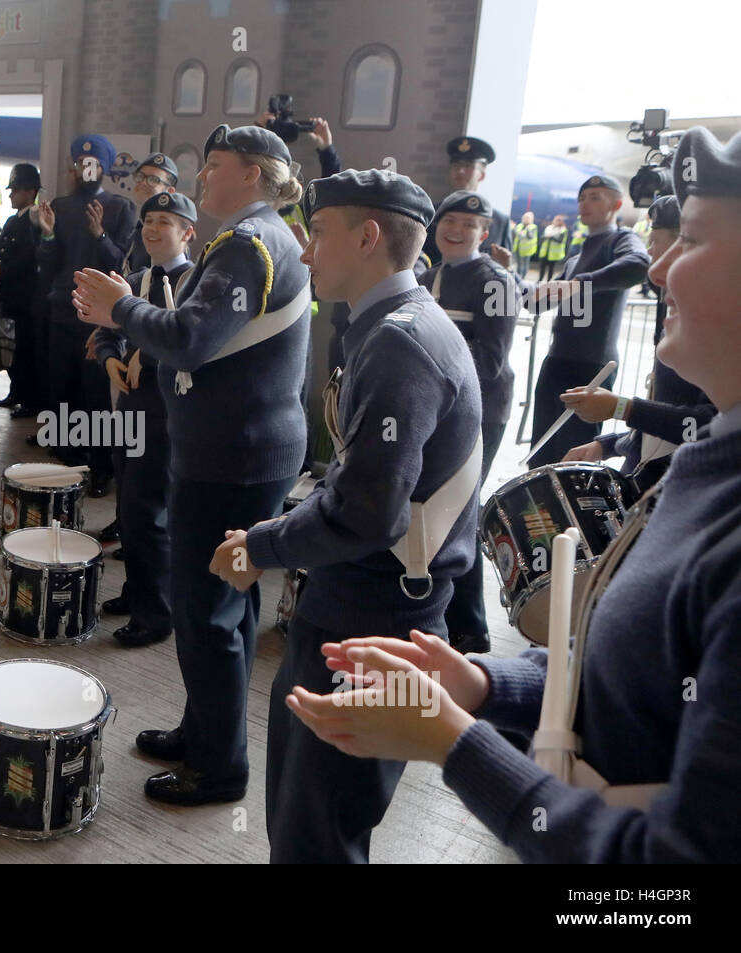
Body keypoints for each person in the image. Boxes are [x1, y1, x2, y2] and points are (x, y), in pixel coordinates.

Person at [281, 126, 741, 863]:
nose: (658, 269)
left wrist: (455, 743)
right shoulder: (713, 457)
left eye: (688, 239)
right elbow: (637, 673)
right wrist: (486, 681)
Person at [210, 167, 481, 863]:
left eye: (319, 232)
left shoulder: (399, 342)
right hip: (369, 605)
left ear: (367, 237)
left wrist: (260, 546)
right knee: (319, 820)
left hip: (369, 618)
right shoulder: (395, 326)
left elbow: (366, 513)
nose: (304, 250)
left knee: (314, 833)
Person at [73, 123, 312, 806]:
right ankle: (205, 729)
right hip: (240, 445)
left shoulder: (246, 244)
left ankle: (219, 766)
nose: (202, 176)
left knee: (207, 611)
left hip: (230, 453)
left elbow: (189, 340)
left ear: (255, 172)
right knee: (228, 607)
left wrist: (119, 306)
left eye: (215, 165)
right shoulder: (260, 236)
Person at [92, 191, 196, 647]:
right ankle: (137, 591)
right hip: (128, 411)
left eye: (166, 222)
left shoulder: (194, 285)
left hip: (167, 415)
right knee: (128, 508)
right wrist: (110, 359)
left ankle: (156, 614)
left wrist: (147, 359)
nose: (153, 229)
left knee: (149, 513)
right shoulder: (135, 279)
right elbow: (104, 326)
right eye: (148, 220)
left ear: (187, 233)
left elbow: (190, 343)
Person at [417, 191, 518, 656]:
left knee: (461, 509)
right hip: (437, 405)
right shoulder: (429, 276)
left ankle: (471, 629)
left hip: (480, 410)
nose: (455, 230)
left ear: (484, 232)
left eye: (468, 224)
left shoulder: (494, 280)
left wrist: (426, 369)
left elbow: (491, 362)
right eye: (448, 220)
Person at [561, 194, 715, 491]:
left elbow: (706, 427)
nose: (652, 260)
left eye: (655, 241)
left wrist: (623, 409)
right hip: (645, 483)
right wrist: (608, 446)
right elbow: (666, 419)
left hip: (679, 491)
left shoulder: (716, 331)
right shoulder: (679, 317)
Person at [36, 134, 135, 496]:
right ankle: (67, 457)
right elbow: (48, 264)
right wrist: (46, 236)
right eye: (81, 163)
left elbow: (123, 266)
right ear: (74, 168)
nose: (86, 169)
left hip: (99, 316)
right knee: (62, 387)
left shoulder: (121, 209)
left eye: (93, 164)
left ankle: (100, 466)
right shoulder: (60, 206)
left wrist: (101, 235)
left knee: (96, 395)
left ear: (104, 169)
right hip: (62, 310)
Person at [527, 173, 650, 465]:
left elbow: (638, 265)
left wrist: (580, 283)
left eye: (594, 197)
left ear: (616, 204)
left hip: (592, 365)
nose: (585, 204)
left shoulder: (621, 239)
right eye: (581, 198)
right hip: (557, 361)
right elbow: (540, 301)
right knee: (540, 452)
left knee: (574, 455)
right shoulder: (576, 252)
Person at [0, 162, 43, 416]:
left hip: (26, 298)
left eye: (17, 189)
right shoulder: (13, 221)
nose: (11, 194)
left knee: (25, 351)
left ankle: (30, 401)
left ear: (31, 191)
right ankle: (16, 392)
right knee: (11, 350)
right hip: (9, 295)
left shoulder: (34, 219)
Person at [423, 136, 512, 269]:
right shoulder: (430, 213)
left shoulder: (499, 221)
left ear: (481, 175)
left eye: (468, 166)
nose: (460, 171)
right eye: (456, 165)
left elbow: (504, 266)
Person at [120, 152, 178, 273]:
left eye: (153, 180)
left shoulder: (168, 233)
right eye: (140, 176)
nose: (143, 183)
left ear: (170, 192)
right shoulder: (141, 225)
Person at [538, 213, 569, 281]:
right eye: (556, 220)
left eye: (558, 220)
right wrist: (546, 237)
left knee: (551, 268)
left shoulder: (563, 230)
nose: (556, 221)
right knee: (542, 266)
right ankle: (540, 280)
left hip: (554, 254)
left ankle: (548, 281)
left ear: (561, 222)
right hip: (545, 251)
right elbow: (542, 237)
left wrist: (551, 237)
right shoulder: (548, 228)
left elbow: (560, 240)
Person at [511, 210, 537, 280]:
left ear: (531, 219)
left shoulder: (533, 227)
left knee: (525, 265)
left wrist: (527, 230)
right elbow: (515, 233)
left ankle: (522, 279)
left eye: (528, 218)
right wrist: (513, 228)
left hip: (527, 250)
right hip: (518, 248)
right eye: (525, 218)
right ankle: (518, 278)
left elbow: (530, 237)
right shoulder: (520, 225)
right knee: (519, 265)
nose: (526, 219)